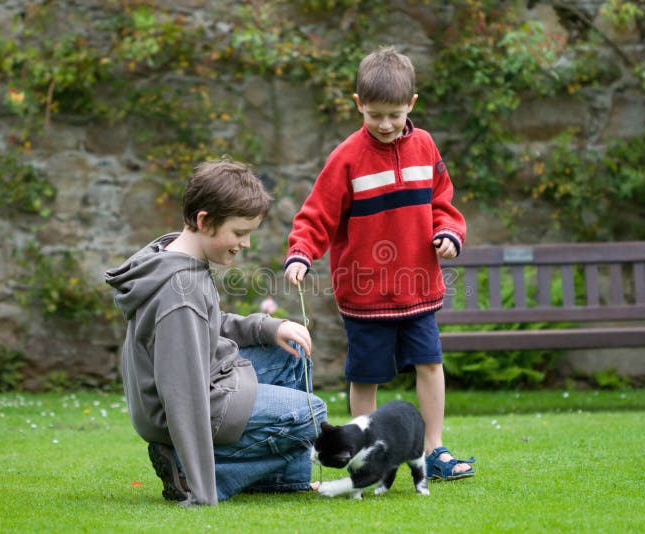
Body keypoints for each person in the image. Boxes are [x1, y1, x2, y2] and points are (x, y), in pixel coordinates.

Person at [284, 46, 474, 481]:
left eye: (394, 114)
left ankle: (434, 449)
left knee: (430, 364)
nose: (386, 125)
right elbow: (317, 215)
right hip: (365, 294)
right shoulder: (346, 157)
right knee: (366, 376)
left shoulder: (425, 146)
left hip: (419, 288)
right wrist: (301, 252)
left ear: (412, 104)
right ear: (358, 106)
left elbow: (443, 202)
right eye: (374, 115)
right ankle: (364, 451)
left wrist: (448, 232)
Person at [106, 158, 327, 506]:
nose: (247, 243)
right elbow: (183, 392)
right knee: (311, 415)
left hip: (212, 379)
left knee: (290, 355)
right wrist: (202, 489)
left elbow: (212, 323)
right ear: (204, 221)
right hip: (192, 404)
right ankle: (189, 471)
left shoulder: (176, 257)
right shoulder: (179, 292)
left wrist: (270, 327)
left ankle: (285, 479)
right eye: (240, 233)